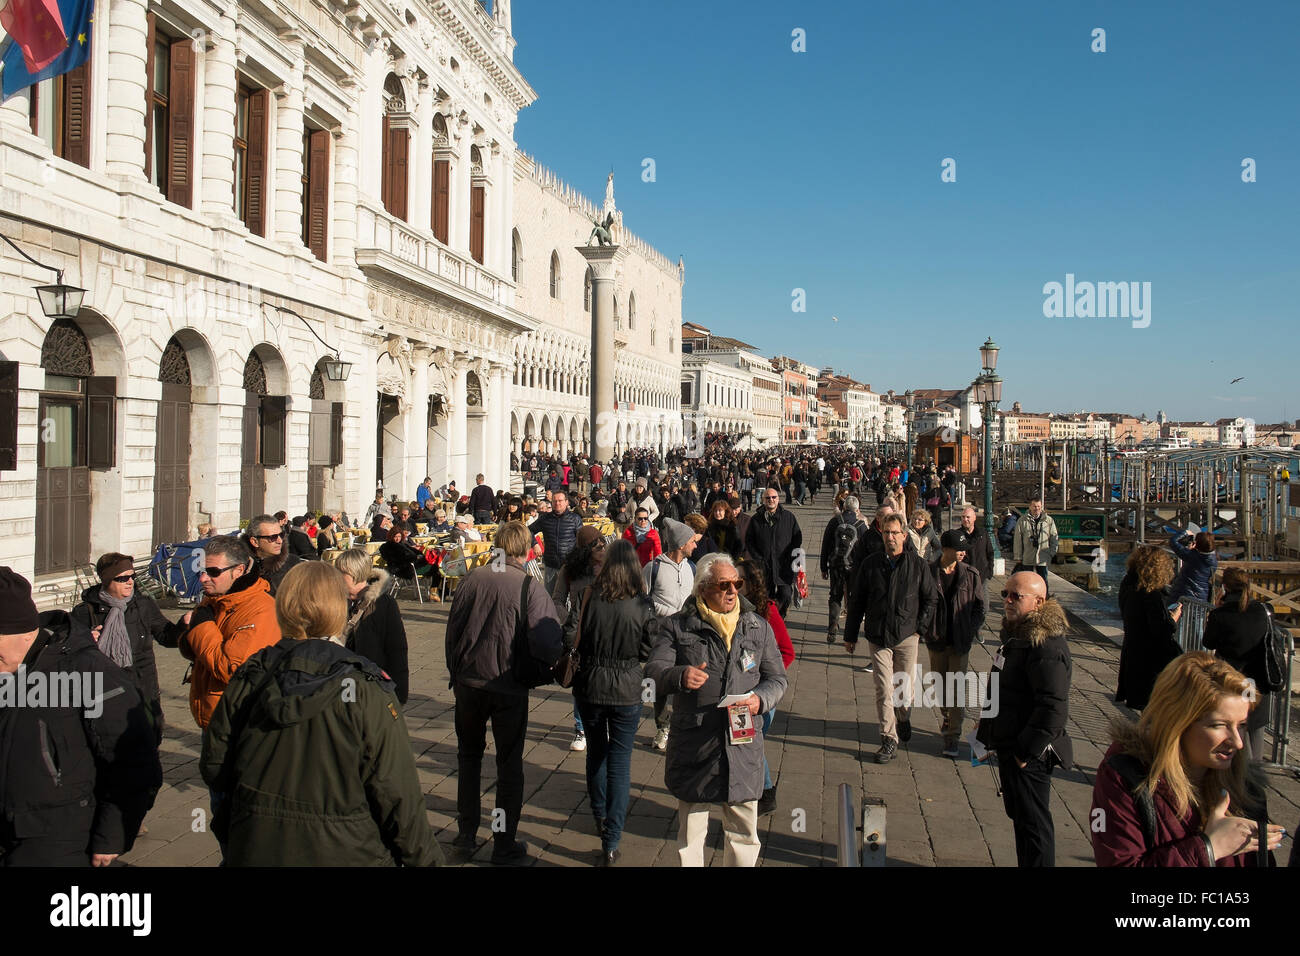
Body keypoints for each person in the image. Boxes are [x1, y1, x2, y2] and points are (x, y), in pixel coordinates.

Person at [200, 562, 442, 866]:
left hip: (258, 844)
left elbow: (215, 765)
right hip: (348, 849)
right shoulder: (364, 685)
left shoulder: (251, 675)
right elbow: (398, 793)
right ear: (337, 607)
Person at [0, 567, 162, 866]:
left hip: (58, 834)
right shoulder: (8, 671)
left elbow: (134, 758)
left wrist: (111, 835)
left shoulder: (87, 669)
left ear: (22, 633)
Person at [645, 554, 788, 867]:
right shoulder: (678, 626)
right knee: (691, 833)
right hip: (695, 742)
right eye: (724, 585)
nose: (733, 591)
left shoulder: (757, 626)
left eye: (736, 584)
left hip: (743, 743)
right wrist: (679, 675)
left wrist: (760, 700)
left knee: (743, 833)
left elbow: (777, 678)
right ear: (703, 589)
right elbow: (654, 670)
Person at [1090, 652, 1282, 867]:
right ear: (1177, 723)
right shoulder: (1127, 778)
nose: (1237, 742)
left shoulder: (1247, 787)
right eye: (1219, 725)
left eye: (1242, 725)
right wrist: (1209, 848)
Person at [444, 521, 564, 865]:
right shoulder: (530, 586)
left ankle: (466, 835)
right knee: (508, 766)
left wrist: (456, 669)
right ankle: (502, 841)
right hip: (508, 685)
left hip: (469, 683)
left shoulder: (472, 578)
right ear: (526, 550)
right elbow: (546, 640)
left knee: (468, 758)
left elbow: (453, 629)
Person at [563, 540, 658, 865]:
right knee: (620, 762)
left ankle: (600, 815)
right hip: (627, 688)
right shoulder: (642, 604)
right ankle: (612, 838)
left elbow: (570, 633)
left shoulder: (589, 596)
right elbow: (649, 647)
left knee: (596, 754)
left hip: (590, 683)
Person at [977, 571, 1073, 867]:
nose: (1006, 600)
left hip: (1028, 752)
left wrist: (1023, 753)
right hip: (1011, 741)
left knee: (1034, 826)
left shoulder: (1046, 645)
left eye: (1015, 596)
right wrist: (987, 725)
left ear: (1039, 602)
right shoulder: (1018, 633)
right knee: (1021, 819)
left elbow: (1053, 707)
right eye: (1005, 593)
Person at [844, 513, 939, 763]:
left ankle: (904, 717)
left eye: (895, 533)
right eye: (886, 533)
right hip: (878, 634)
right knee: (884, 689)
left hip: (907, 634)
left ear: (904, 536)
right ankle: (888, 737)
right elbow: (858, 600)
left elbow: (931, 598)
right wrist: (851, 634)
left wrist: (920, 627)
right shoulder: (871, 564)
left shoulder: (917, 565)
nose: (890, 538)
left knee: (903, 689)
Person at [70, 552, 182, 744]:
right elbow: (69, 652)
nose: (130, 582)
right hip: (105, 689)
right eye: (122, 578)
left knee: (150, 738)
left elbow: (166, 635)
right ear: (106, 580)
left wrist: (185, 628)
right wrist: (86, 641)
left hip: (143, 686)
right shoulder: (85, 612)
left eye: (132, 576)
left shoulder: (143, 605)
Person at [174, 535, 282, 730]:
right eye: (203, 571)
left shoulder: (261, 610)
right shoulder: (214, 599)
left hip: (239, 722)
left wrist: (201, 626)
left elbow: (231, 670)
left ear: (239, 571)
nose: (203, 578)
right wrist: (186, 635)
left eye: (213, 572)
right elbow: (199, 652)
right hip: (215, 718)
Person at [735, 556, 795, 816]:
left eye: (738, 582)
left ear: (750, 583)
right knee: (747, 742)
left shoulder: (767, 611)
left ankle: (763, 792)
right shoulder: (729, 609)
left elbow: (787, 651)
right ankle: (761, 791)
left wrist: (766, 674)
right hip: (736, 689)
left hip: (760, 694)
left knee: (748, 741)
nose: (732, 587)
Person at [1202, 568, 1274, 760]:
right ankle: (1254, 773)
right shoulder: (1261, 610)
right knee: (1255, 727)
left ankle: (1242, 772)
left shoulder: (1222, 614)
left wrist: (1215, 610)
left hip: (1232, 677)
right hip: (1258, 675)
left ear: (1224, 587)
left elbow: (1208, 642)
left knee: (1236, 724)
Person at [925, 530, 986, 758]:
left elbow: (980, 607)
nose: (963, 552)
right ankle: (948, 715)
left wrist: (971, 629)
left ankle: (952, 737)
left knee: (957, 690)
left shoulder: (971, 574)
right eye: (959, 549)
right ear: (946, 549)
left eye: (964, 549)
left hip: (960, 641)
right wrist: (925, 627)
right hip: (937, 639)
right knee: (941, 688)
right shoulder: (929, 571)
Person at [552, 525, 608, 752]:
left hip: (606, 632)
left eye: (604, 545)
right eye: (598, 547)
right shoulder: (569, 570)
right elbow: (556, 600)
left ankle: (602, 723)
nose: (603, 550)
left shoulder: (611, 567)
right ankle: (581, 728)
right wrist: (570, 622)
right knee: (581, 681)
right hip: (579, 635)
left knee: (604, 679)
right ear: (586, 550)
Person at [335, 549, 411, 705]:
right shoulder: (333, 600)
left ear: (355, 574)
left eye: (341, 573)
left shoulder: (383, 604)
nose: (336, 577)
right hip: (340, 685)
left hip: (371, 686)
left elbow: (397, 649)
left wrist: (398, 694)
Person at [1116, 546, 1182, 712]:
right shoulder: (1151, 595)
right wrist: (1173, 619)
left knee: (1146, 710)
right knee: (1155, 708)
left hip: (1133, 654)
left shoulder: (1128, 584)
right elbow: (1161, 630)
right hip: (1150, 660)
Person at [744, 485, 803, 618]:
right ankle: (768, 621)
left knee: (786, 594)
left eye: (774, 497)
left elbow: (797, 539)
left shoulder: (788, 517)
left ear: (778, 499)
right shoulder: (756, 519)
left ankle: (779, 617)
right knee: (765, 596)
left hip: (784, 566)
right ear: (763, 500)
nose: (771, 500)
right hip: (765, 566)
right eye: (768, 498)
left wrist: (794, 558)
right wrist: (758, 558)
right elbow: (749, 541)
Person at [821, 495, 867, 646]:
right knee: (853, 599)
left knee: (835, 596)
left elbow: (826, 544)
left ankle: (832, 627)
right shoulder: (860, 525)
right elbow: (866, 548)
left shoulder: (835, 521)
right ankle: (850, 632)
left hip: (836, 565)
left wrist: (823, 567)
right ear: (857, 509)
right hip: (854, 566)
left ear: (844, 507)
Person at [530, 489, 584, 593]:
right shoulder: (545, 518)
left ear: (566, 502)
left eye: (560, 500)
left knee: (571, 599)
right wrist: (534, 543)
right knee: (551, 598)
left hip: (569, 565)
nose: (557, 503)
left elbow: (581, 540)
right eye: (554, 501)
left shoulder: (575, 519)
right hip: (551, 566)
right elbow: (528, 531)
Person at [1012, 494, 1058, 595]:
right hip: (1027, 556)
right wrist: (1018, 556)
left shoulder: (1049, 520)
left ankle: (1044, 599)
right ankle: (1028, 600)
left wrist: (1052, 552)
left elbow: (1054, 537)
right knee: (1027, 581)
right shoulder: (1022, 521)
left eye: (1038, 506)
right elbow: (1017, 540)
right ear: (1030, 507)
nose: (1036, 508)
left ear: (1041, 507)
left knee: (1043, 581)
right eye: (1034, 506)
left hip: (1043, 557)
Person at [246, 514, 302, 595]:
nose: (280, 541)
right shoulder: (240, 568)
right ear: (255, 542)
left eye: (281, 535)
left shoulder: (292, 564)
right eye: (272, 537)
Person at [1169, 531, 1217, 603]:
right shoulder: (1213, 560)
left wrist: (1185, 532)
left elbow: (1173, 541)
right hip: (1201, 597)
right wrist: (1194, 550)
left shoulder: (1191, 556)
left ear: (1197, 544)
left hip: (1183, 594)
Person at [958, 505, 994, 585]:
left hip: (981, 576)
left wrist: (989, 572)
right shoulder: (957, 535)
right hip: (964, 577)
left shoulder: (983, 534)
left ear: (974, 518)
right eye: (963, 517)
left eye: (968, 517)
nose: (965, 519)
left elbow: (990, 553)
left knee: (983, 597)